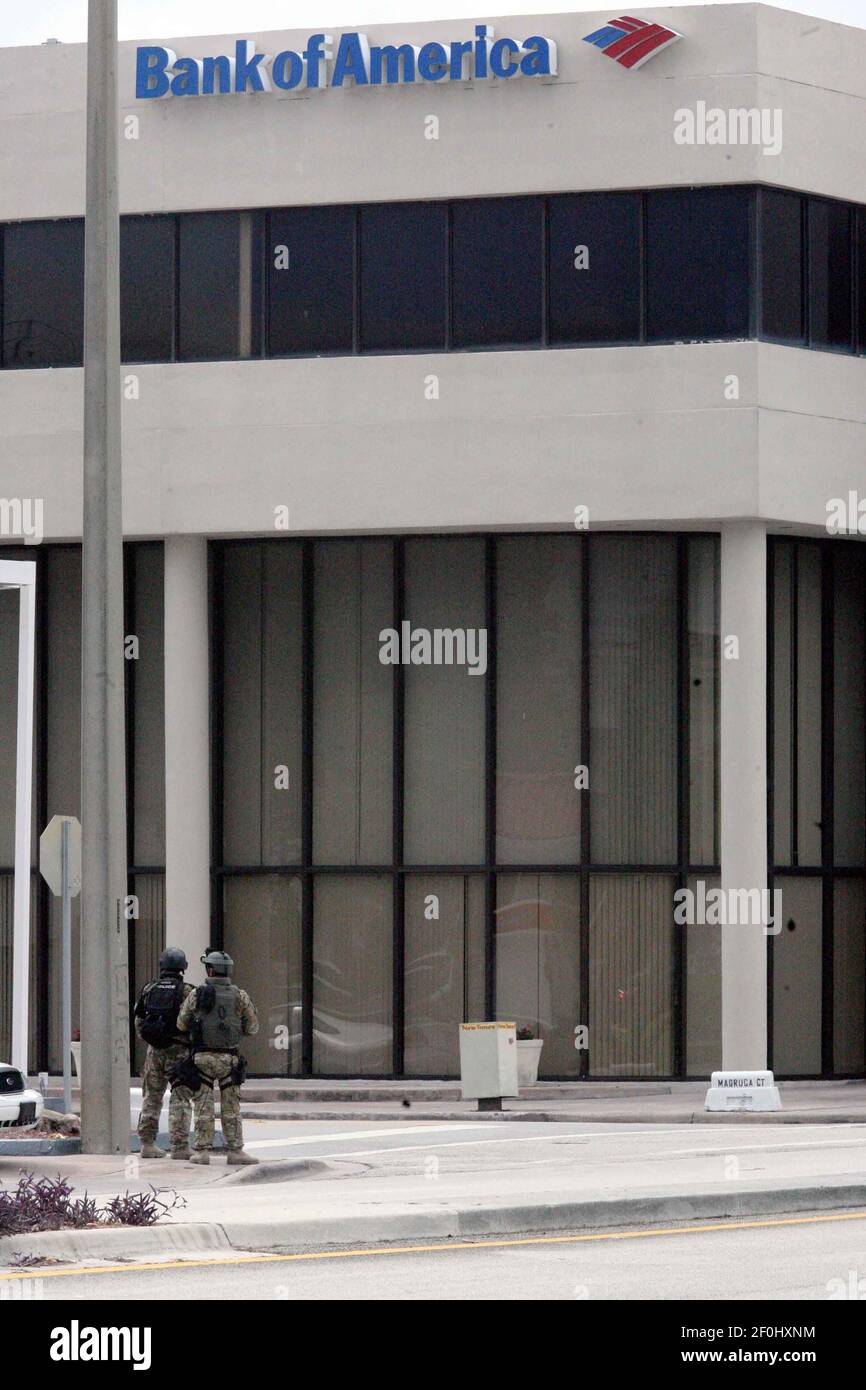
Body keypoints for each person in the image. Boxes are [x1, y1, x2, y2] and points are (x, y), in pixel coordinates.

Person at [175, 949, 259, 1166]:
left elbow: (181, 1024)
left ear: (210, 969)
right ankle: (235, 1150)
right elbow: (252, 1028)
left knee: (203, 1105)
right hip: (229, 1060)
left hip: (202, 1058)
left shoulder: (197, 994)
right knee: (231, 1106)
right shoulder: (240, 996)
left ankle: (202, 1151)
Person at [133, 946, 194, 1159]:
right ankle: (180, 1147)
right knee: (180, 1098)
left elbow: (138, 1021)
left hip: (154, 1052)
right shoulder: (187, 991)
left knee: (151, 1097)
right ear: (183, 967)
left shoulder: (149, 988)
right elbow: (194, 1022)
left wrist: (152, 1039)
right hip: (179, 1051)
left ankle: (147, 1144)